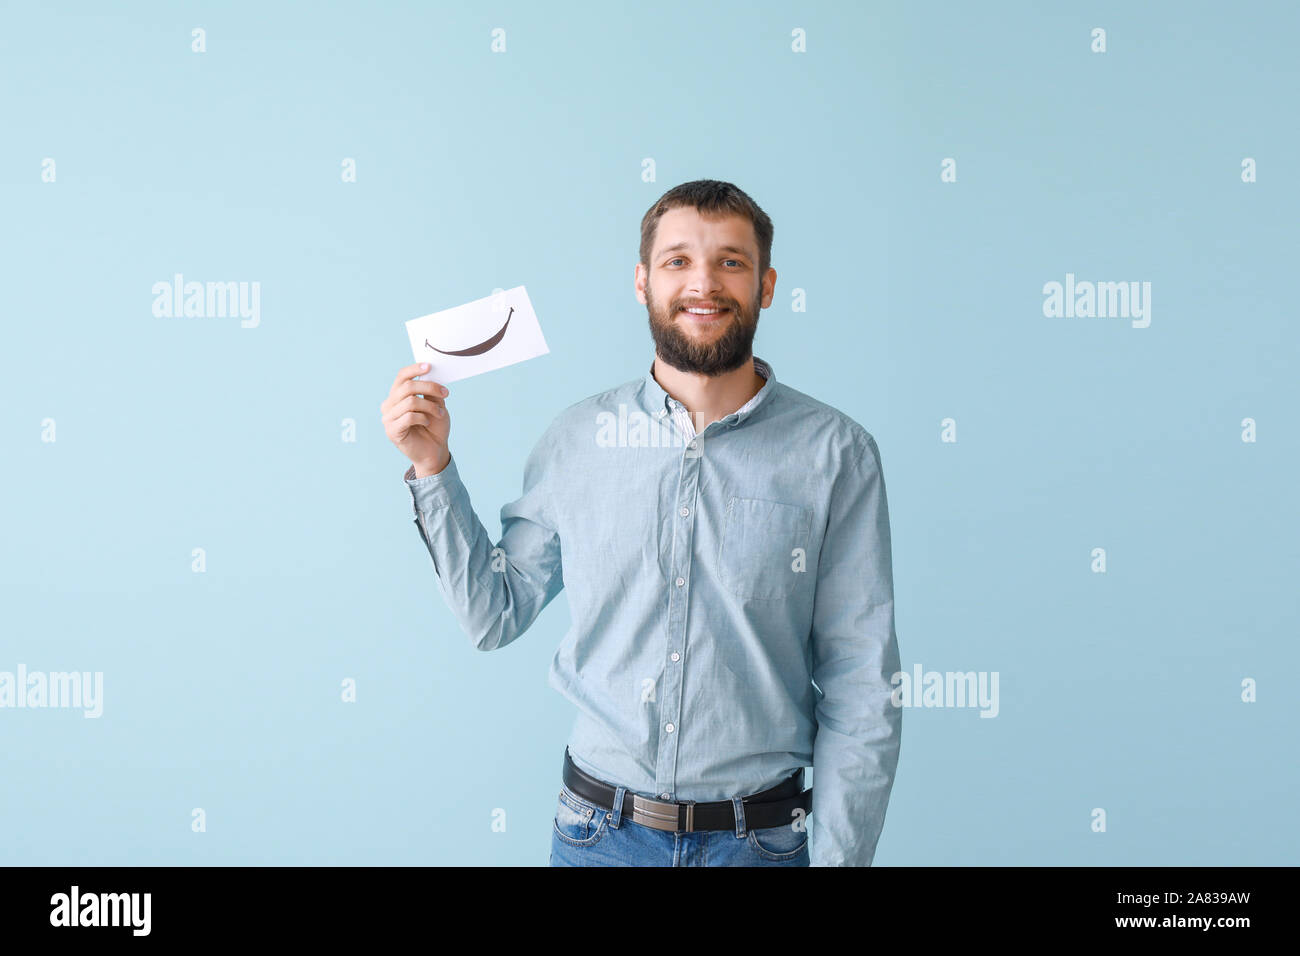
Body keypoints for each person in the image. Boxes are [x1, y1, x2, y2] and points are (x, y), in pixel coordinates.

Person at [381, 180, 901, 866]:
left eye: (731, 262)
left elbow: (863, 679)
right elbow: (492, 614)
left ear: (766, 285)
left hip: (761, 844)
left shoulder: (837, 454)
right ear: (642, 281)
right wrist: (432, 466)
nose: (704, 284)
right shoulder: (576, 440)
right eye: (678, 261)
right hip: (598, 838)